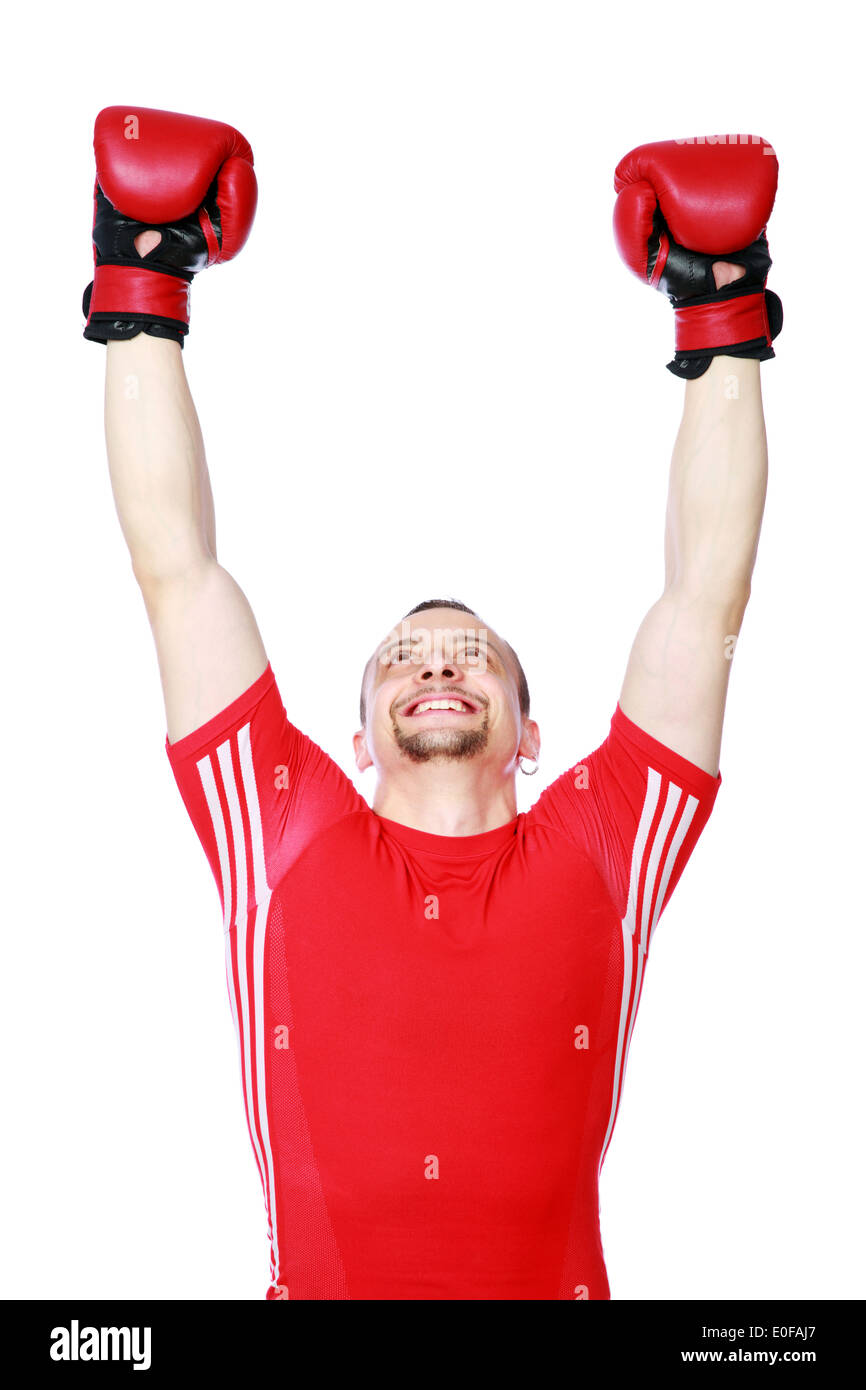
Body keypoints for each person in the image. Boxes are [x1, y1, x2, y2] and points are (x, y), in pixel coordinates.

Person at [85, 108, 780, 1299]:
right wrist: (143, 272)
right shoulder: (280, 824)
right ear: (354, 738)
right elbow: (177, 570)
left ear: (531, 729)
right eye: (403, 657)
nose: (437, 664)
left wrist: (719, 305)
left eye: (470, 652)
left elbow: (700, 589)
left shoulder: (606, 839)